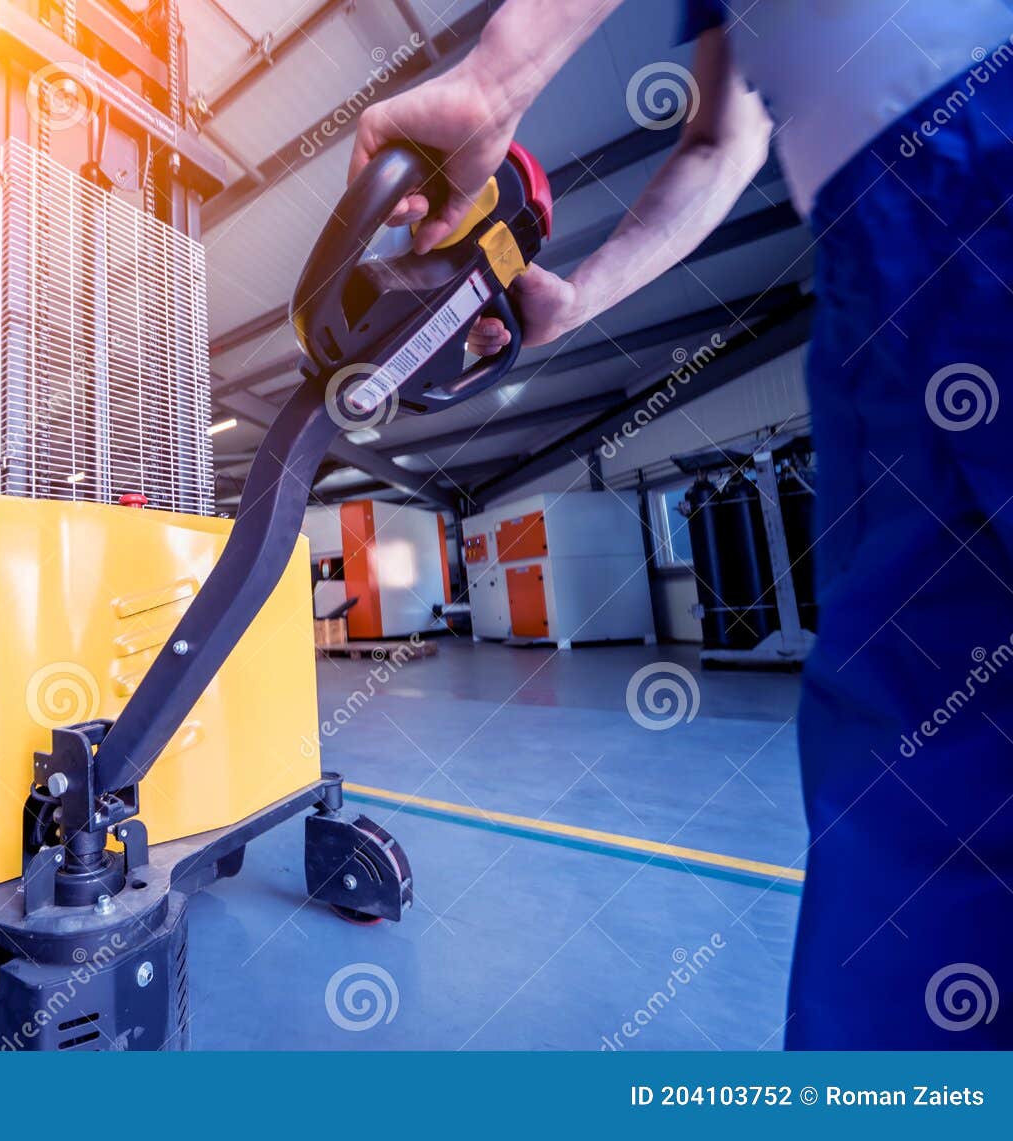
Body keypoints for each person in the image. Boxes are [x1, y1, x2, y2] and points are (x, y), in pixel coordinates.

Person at [353, 0, 1013, 1048]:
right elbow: (718, 141)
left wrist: (494, 81)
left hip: (976, 161)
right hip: (871, 259)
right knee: (916, 800)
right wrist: (578, 298)